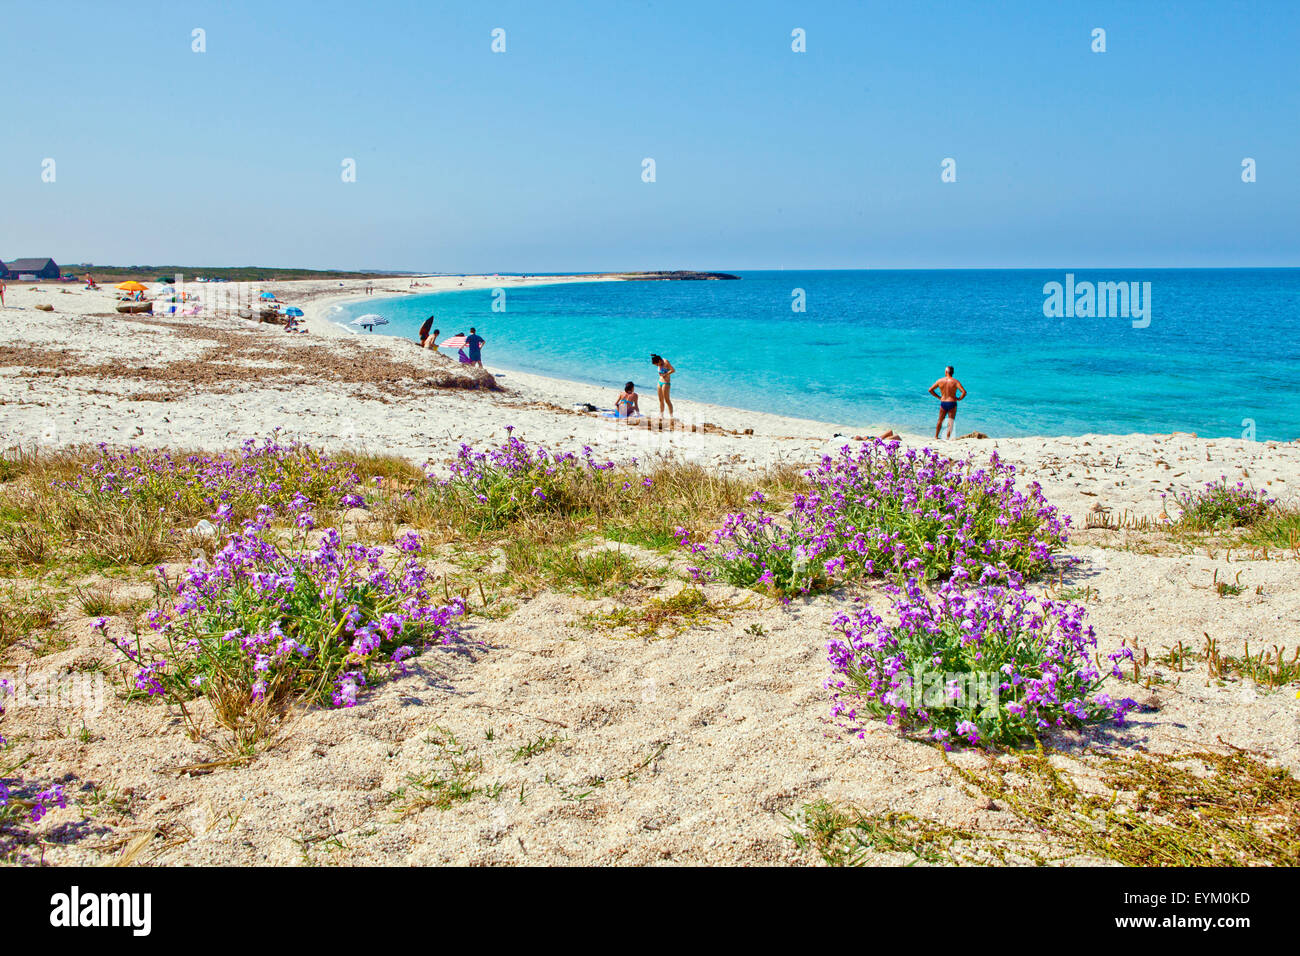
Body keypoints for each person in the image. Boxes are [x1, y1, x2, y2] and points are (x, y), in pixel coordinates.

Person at [928, 365, 967, 439]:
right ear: (953, 373)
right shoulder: (955, 381)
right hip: (952, 402)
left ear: (946, 372)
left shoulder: (940, 380)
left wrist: (939, 397)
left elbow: (930, 390)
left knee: (940, 420)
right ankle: (947, 437)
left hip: (943, 402)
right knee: (950, 421)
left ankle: (936, 436)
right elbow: (964, 392)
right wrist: (959, 399)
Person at [651, 354, 675, 419]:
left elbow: (673, 370)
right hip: (659, 382)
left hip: (666, 383)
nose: (656, 365)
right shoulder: (659, 363)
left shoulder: (666, 362)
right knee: (660, 400)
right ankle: (661, 415)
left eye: (656, 364)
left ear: (659, 361)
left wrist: (666, 374)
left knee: (667, 400)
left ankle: (671, 416)